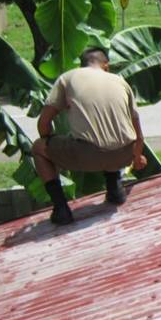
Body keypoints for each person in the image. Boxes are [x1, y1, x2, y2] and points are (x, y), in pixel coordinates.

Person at [33, 47, 148, 226]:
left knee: (39, 147)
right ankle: (114, 189)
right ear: (106, 66)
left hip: (88, 154)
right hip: (125, 154)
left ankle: (61, 208)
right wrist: (137, 157)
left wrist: (51, 146)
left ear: (82, 65)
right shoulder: (120, 81)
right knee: (109, 133)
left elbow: (43, 122)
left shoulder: (68, 78)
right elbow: (139, 133)